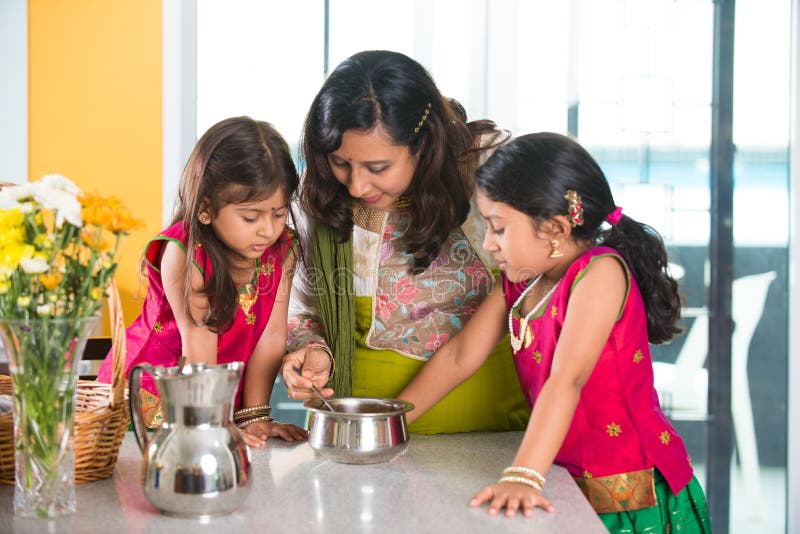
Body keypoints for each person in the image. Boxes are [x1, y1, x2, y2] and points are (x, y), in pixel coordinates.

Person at [397, 133, 712, 533]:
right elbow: (460, 356)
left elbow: (567, 380)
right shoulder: (519, 281)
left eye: (498, 228)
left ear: (556, 229)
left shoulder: (601, 274)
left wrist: (523, 475)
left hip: (632, 493)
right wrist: (388, 424)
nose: (487, 244)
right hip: (566, 480)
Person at [281, 50, 530, 433]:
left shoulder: (490, 171)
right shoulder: (315, 197)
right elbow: (300, 307)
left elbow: (536, 287)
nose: (357, 185)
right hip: (359, 436)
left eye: (378, 167)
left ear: (424, 146)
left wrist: (389, 423)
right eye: (340, 162)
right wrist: (311, 351)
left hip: (495, 436)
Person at [97, 116, 307, 447]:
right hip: (156, 396)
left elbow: (271, 336)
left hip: (214, 397)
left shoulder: (282, 250)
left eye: (279, 213)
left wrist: (254, 416)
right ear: (207, 208)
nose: (268, 229)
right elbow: (200, 344)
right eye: (251, 217)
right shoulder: (184, 253)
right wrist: (212, 423)